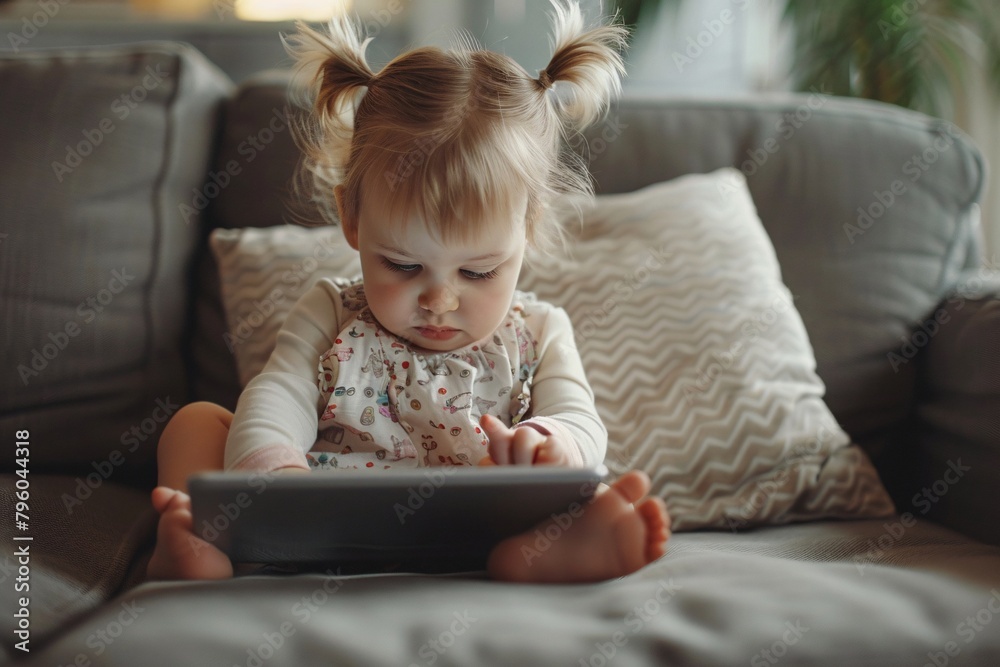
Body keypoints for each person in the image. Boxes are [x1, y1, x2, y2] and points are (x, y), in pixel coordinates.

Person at [147, 0, 669, 584]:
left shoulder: (540, 331)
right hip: (322, 523)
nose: (439, 300)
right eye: (401, 264)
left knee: (589, 485)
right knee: (196, 424)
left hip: (483, 520)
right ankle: (198, 542)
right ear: (352, 218)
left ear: (526, 229)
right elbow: (279, 393)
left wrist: (549, 444)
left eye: (477, 272)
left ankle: (541, 551)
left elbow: (581, 419)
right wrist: (276, 474)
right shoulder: (332, 310)